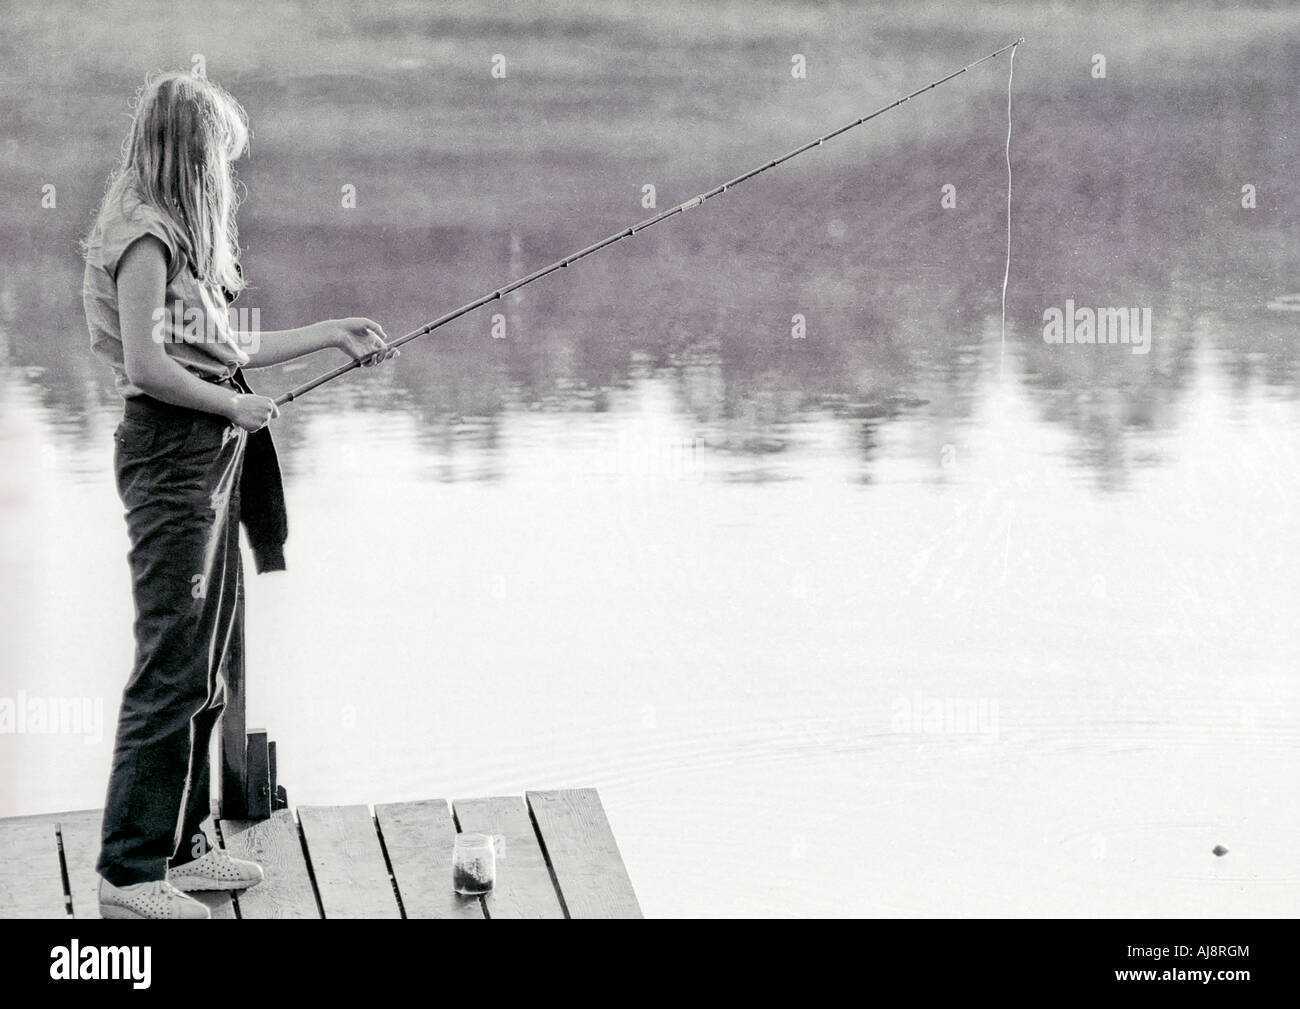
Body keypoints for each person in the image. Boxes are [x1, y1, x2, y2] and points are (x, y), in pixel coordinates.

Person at [81, 70, 396, 919]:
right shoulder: (143, 237)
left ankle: (180, 849)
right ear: (190, 153)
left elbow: (223, 347)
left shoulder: (179, 233)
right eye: (219, 155)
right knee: (169, 664)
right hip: (169, 458)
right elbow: (151, 368)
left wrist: (330, 334)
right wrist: (232, 406)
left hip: (207, 453)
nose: (226, 172)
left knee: (208, 656)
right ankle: (127, 873)